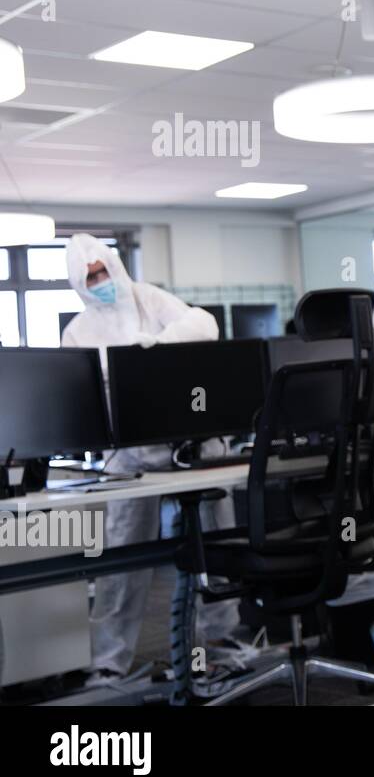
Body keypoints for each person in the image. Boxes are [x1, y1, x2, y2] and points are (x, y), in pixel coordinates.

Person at [61, 233, 243, 685]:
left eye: (103, 270)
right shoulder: (79, 331)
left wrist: (154, 344)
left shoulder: (149, 298)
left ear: (115, 266)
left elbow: (203, 325)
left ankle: (219, 639)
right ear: (78, 284)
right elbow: (81, 394)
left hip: (192, 441)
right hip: (129, 453)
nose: (101, 281)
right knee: (123, 554)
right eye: (91, 277)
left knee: (217, 538)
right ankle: (110, 660)